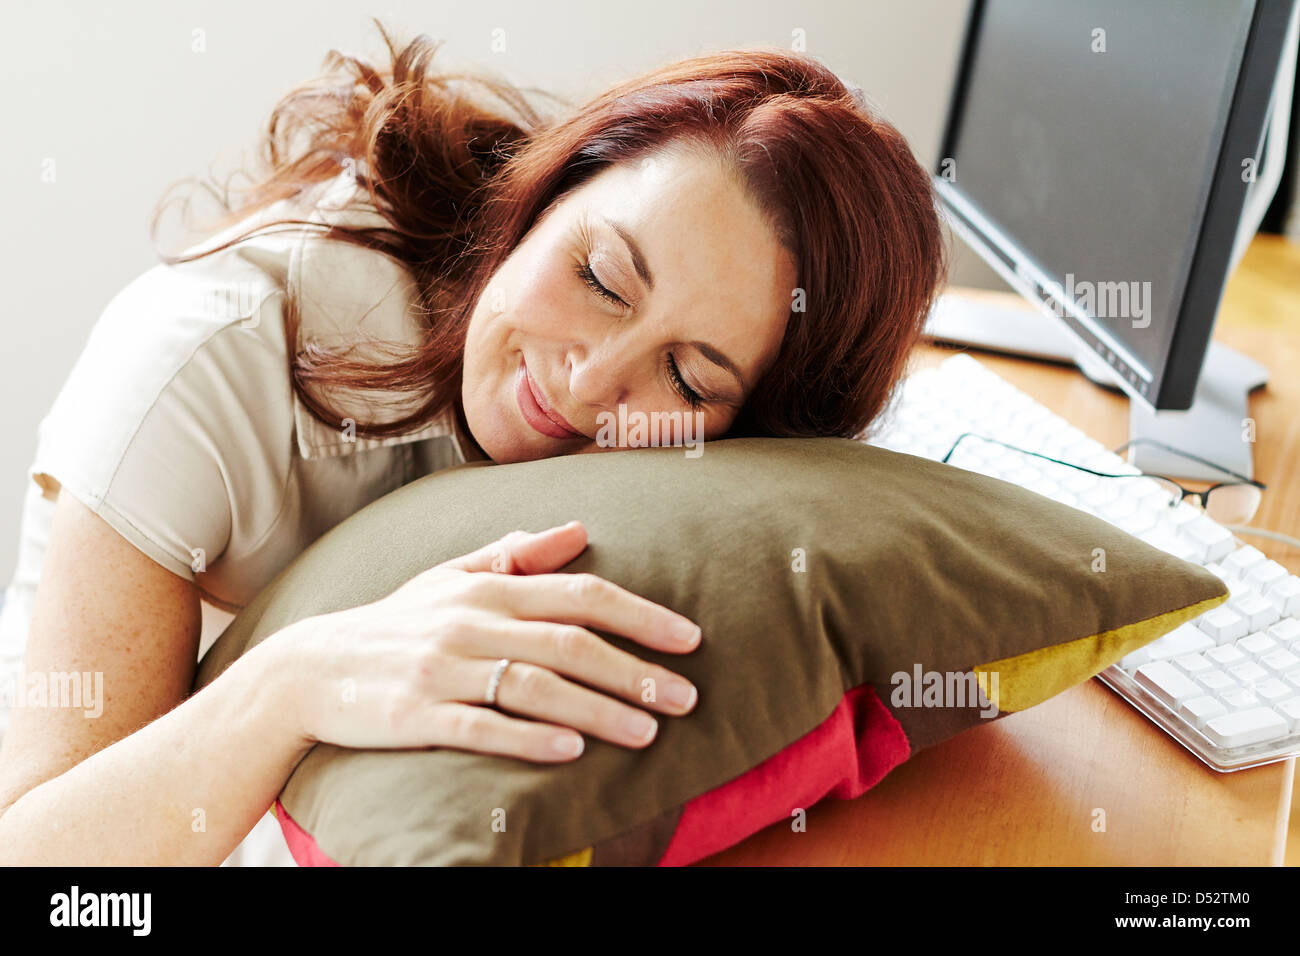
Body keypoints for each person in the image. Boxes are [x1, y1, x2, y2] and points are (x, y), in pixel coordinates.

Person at [0, 23, 946, 865]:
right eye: (602, 278)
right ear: (546, 195)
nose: (586, 381)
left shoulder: (711, 486)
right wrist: (294, 681)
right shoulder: (214, 359)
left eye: (690, 380)